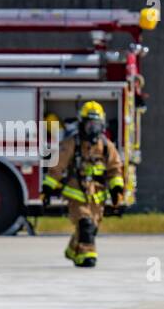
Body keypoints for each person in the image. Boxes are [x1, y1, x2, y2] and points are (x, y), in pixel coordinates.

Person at [43, 100, 124, 267]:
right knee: (85, 224)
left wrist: (117, 190)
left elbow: (115, 169)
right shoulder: (73, 143)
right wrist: (48, 188)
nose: (93, 130)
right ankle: (88, 257)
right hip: (76, 192)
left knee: (90, 228)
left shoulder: (106, 147)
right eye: (89, 125)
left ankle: (73, 251)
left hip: (97, 195)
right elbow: (58, 166)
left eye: (96, 125)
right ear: (82, 124)